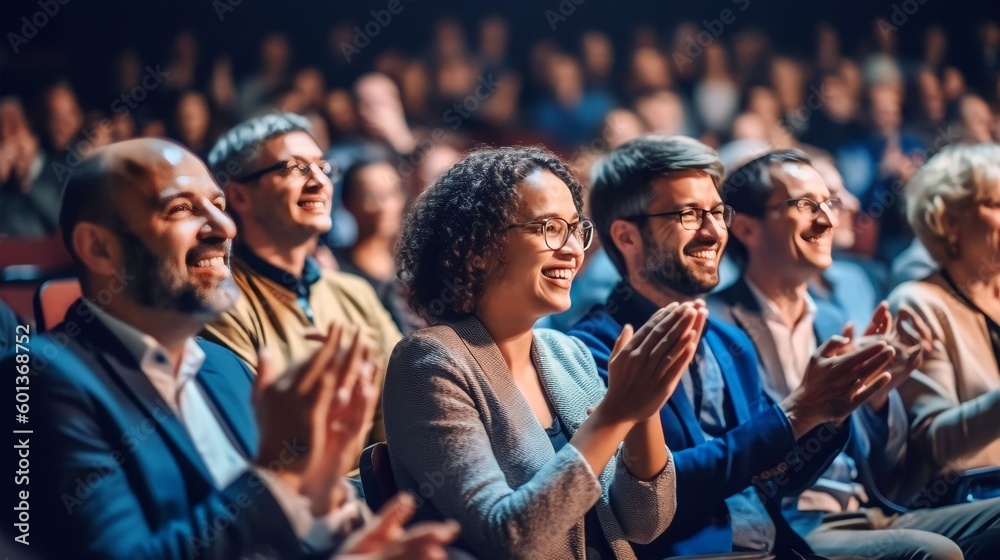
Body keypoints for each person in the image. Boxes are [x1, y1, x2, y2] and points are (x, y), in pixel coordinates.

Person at [2, 138, 457, 559]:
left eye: (218, 205)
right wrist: (279, 480)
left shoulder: (223, 365)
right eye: (181, 209)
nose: (223, 227)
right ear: (99, 248)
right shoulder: (39, 379)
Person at [568, 135, 897, 558]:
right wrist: (797, 412)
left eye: (717, 212)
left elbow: (776, 476)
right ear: (626, 237)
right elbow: (655, 494)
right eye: (689, 214)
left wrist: (831, 410)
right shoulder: (595, 350)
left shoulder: (728, 339)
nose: (713, 231)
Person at [384, 147, 685, 559]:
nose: (573, 250)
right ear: (476, 248)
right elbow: (507, 536)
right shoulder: (430, 363)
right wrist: (617, 412)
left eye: (576, 229)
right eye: (549, 227)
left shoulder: (569, 354)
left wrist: (643, 408)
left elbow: (646, 523)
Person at [713, 148, 1000, 560]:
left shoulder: (829, 319)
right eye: (804, 205)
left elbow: (886, 465)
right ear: (746, 228)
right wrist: (812, 408)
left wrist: (879, 401)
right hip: (792, 521)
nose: (828, 219)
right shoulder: (718, 324)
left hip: (867, 509)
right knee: (935, 553)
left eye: (827, 203)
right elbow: (735, 461)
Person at [202, 113, 402, 444]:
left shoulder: (354, 292)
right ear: (239, 196)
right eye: (295, 167)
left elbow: (410, 395)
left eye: (323, 167)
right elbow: (262, 445)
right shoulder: (223, 305)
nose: (319, 182)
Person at [888, 143, 1000, 499]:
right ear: (949, 222)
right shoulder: (918, 304)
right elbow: (934, 444)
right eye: (996, 204)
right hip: (964, 501)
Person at [336, 158, 422, 335]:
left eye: (391, 193)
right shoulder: (335, 269)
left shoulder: (417, 265)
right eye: (371, 196)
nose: (384, 205)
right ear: (348, 204)